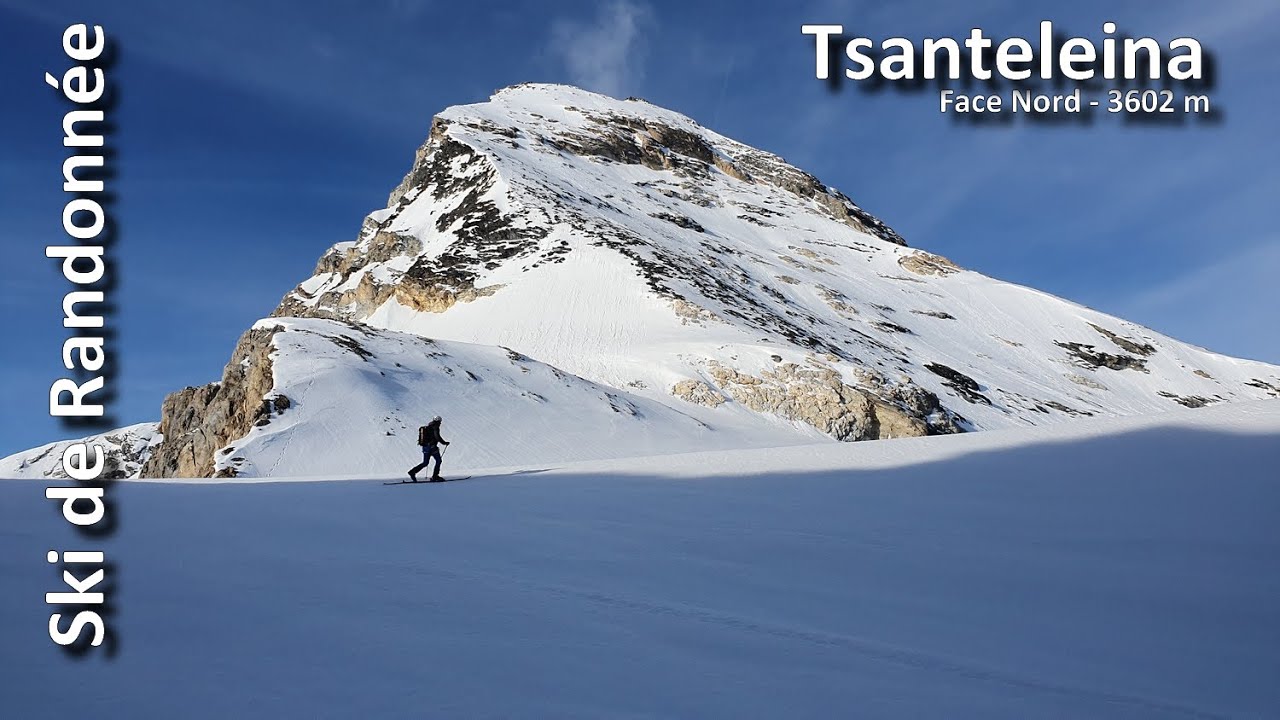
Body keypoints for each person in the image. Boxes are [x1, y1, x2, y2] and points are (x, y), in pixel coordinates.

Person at [409, 415, 450, 482]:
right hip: (432, 447)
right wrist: (444, 443)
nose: (440, 423)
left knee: (425, 463)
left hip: (425, 447)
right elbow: (437, 437)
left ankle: (412, 472)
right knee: (438, 461)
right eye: (440, 422)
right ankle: (435, 476)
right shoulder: (435, 427)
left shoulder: (428, 427)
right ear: (439, 421)